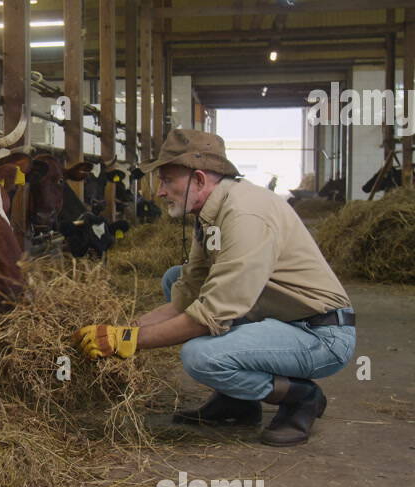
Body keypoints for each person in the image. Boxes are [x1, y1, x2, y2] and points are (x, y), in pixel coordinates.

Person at [73, 129, 356, 447]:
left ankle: (301, 397)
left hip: (318, 333)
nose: (160, 193)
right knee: (174, 277)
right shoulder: (210, 213)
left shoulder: (244, 214)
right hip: (277, 315)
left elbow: (209, 315)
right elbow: (187, 295)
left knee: (201, 356)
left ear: (198, 179)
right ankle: (237, 400)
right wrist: (120, 329)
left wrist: (127, 341)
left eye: (167, 181)